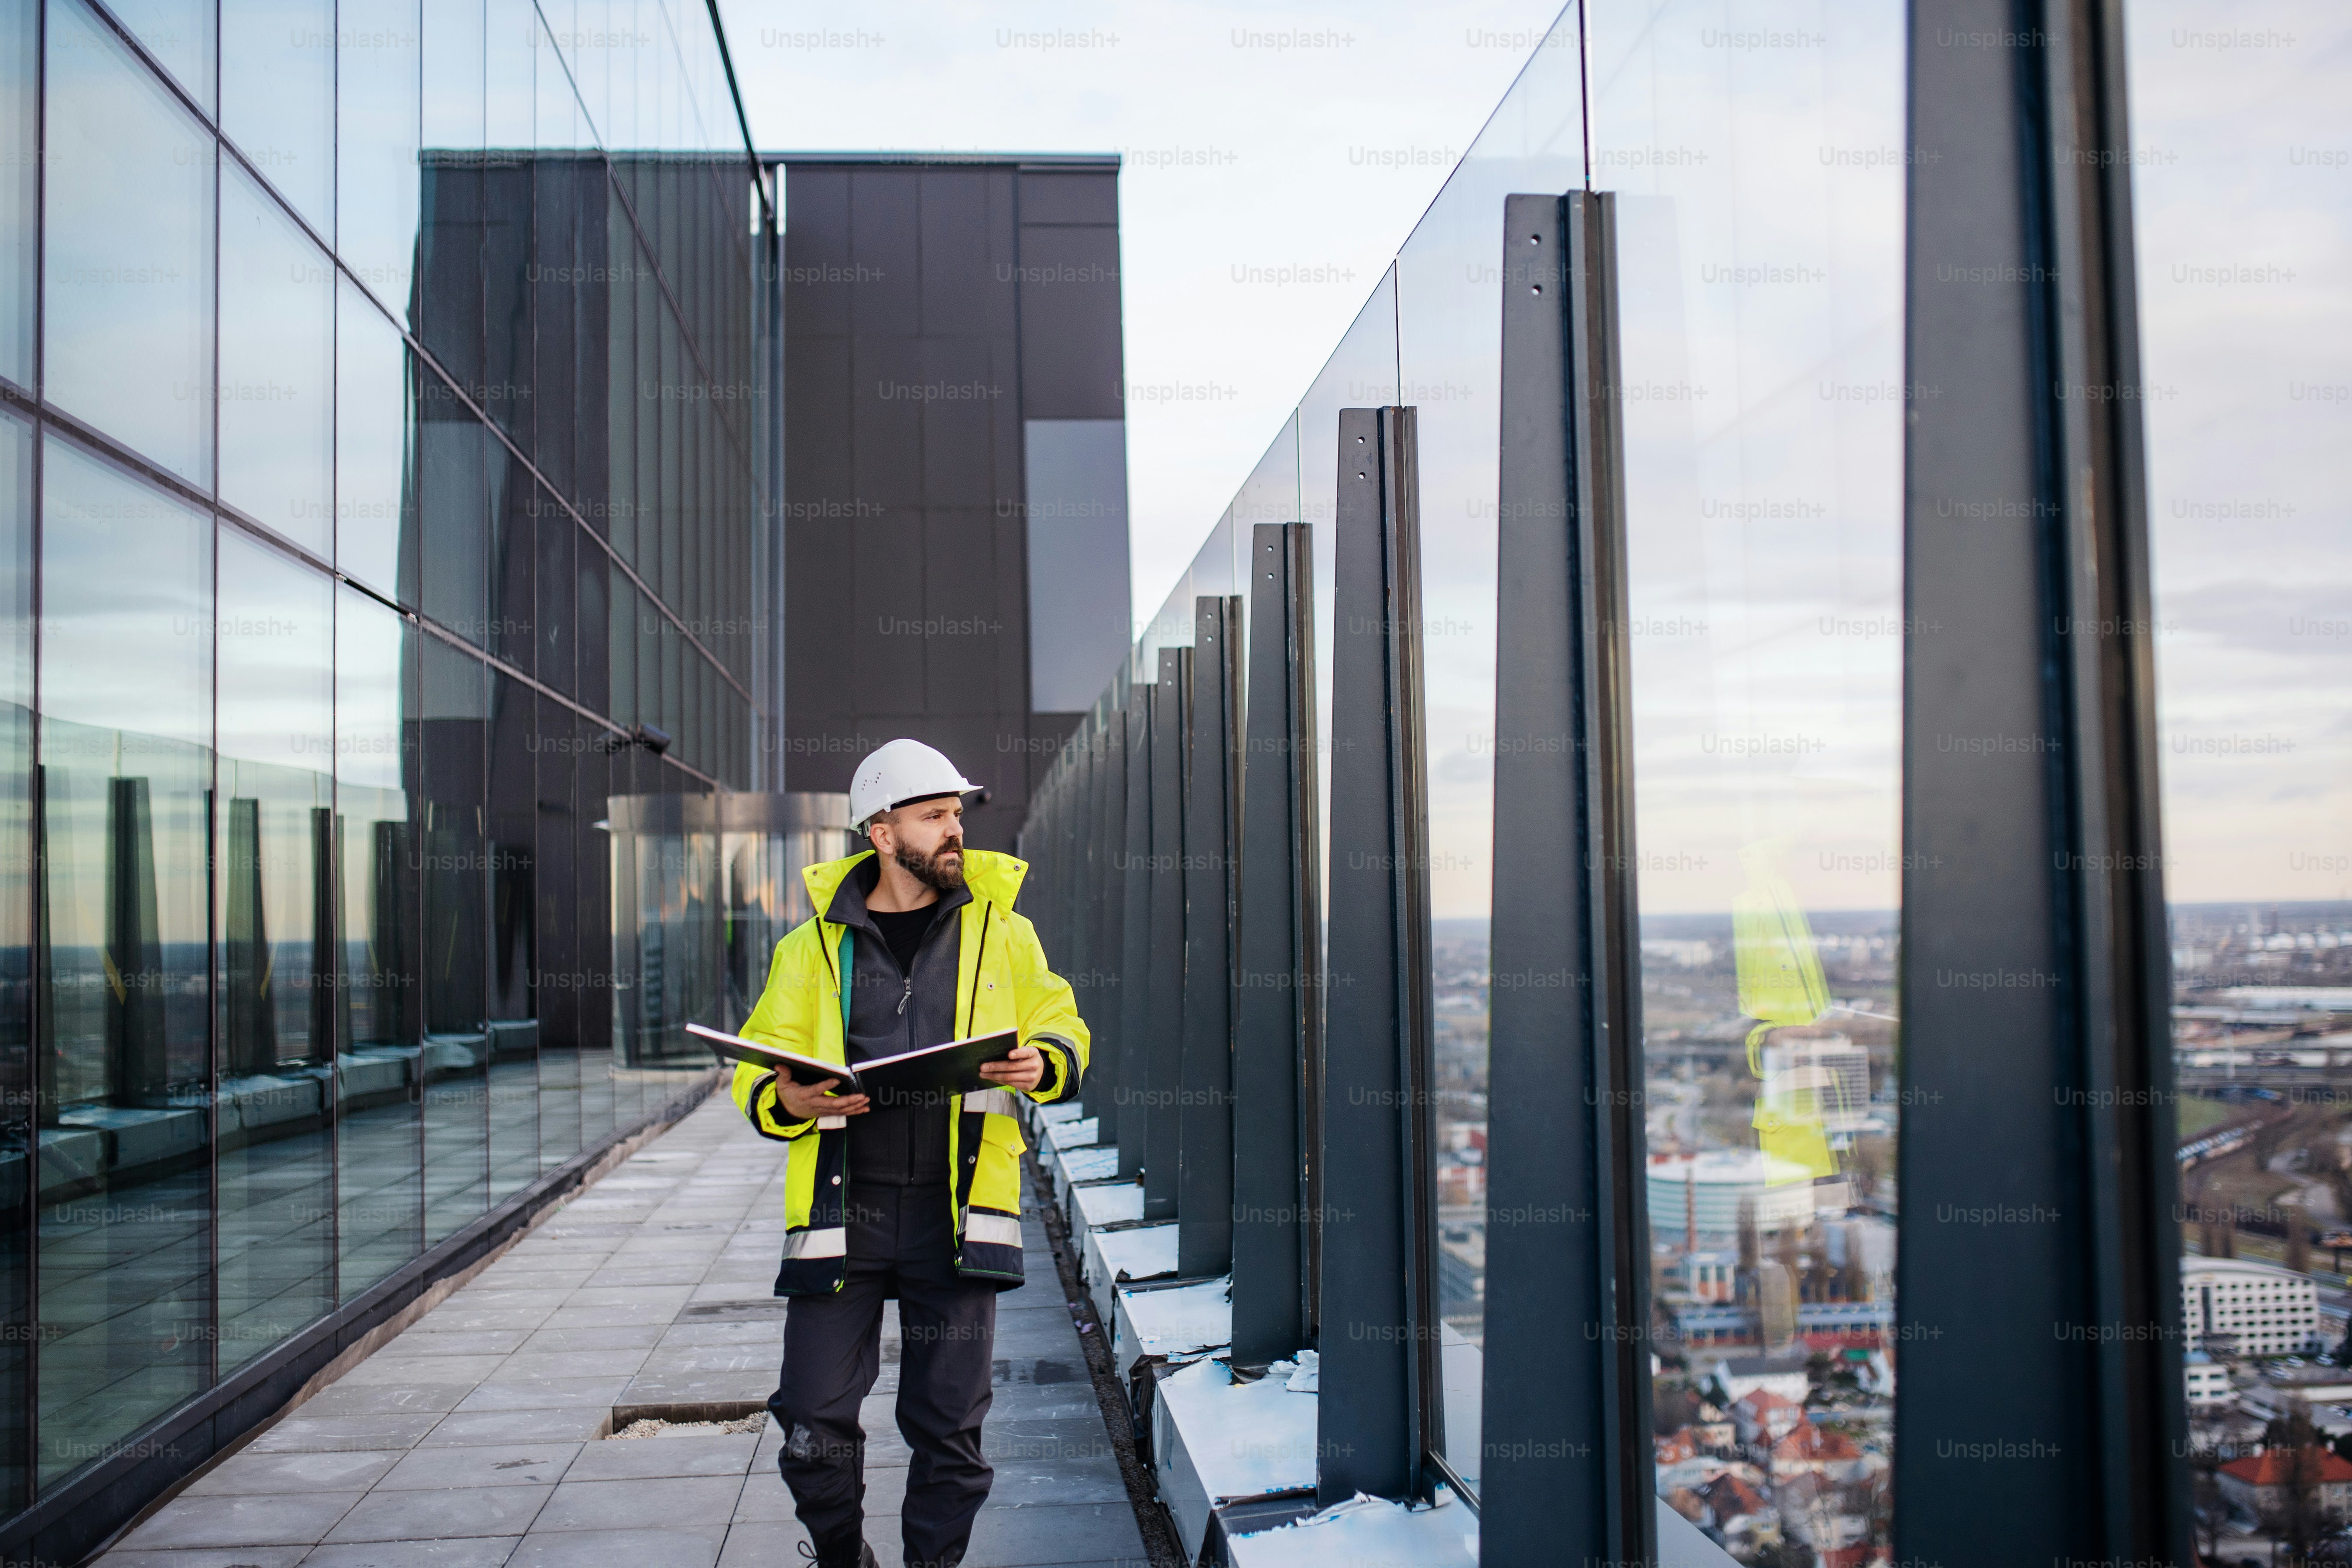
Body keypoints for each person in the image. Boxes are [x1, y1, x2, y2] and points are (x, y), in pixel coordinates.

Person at [729, 738, 1089, 1568]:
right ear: (883, 833)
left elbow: (1062, 1023)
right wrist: (785, 1097)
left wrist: (1046, 1060)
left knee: (951, 1434)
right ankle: (845, 1557)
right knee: (813, 1423)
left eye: (958, 813)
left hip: (957, 1218)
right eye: (935, 816)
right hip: (841, 1217)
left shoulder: (1005, 932)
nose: (955, 830)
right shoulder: (810, 948)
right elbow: (762, 1060)